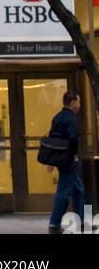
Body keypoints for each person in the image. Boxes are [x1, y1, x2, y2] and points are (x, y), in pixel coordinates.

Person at [47, 91, 84, 235]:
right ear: (73, 102)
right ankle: (54, 224)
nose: (80, 105)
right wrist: (74, 155)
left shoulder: (57, 117)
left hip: (59, 158)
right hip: (69, 159)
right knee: (64, 191)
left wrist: (50, 161)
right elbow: (73, 138)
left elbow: (51, 138)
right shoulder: (71, 119)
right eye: (79, 102)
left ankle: (81, 221)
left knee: (78, 189)